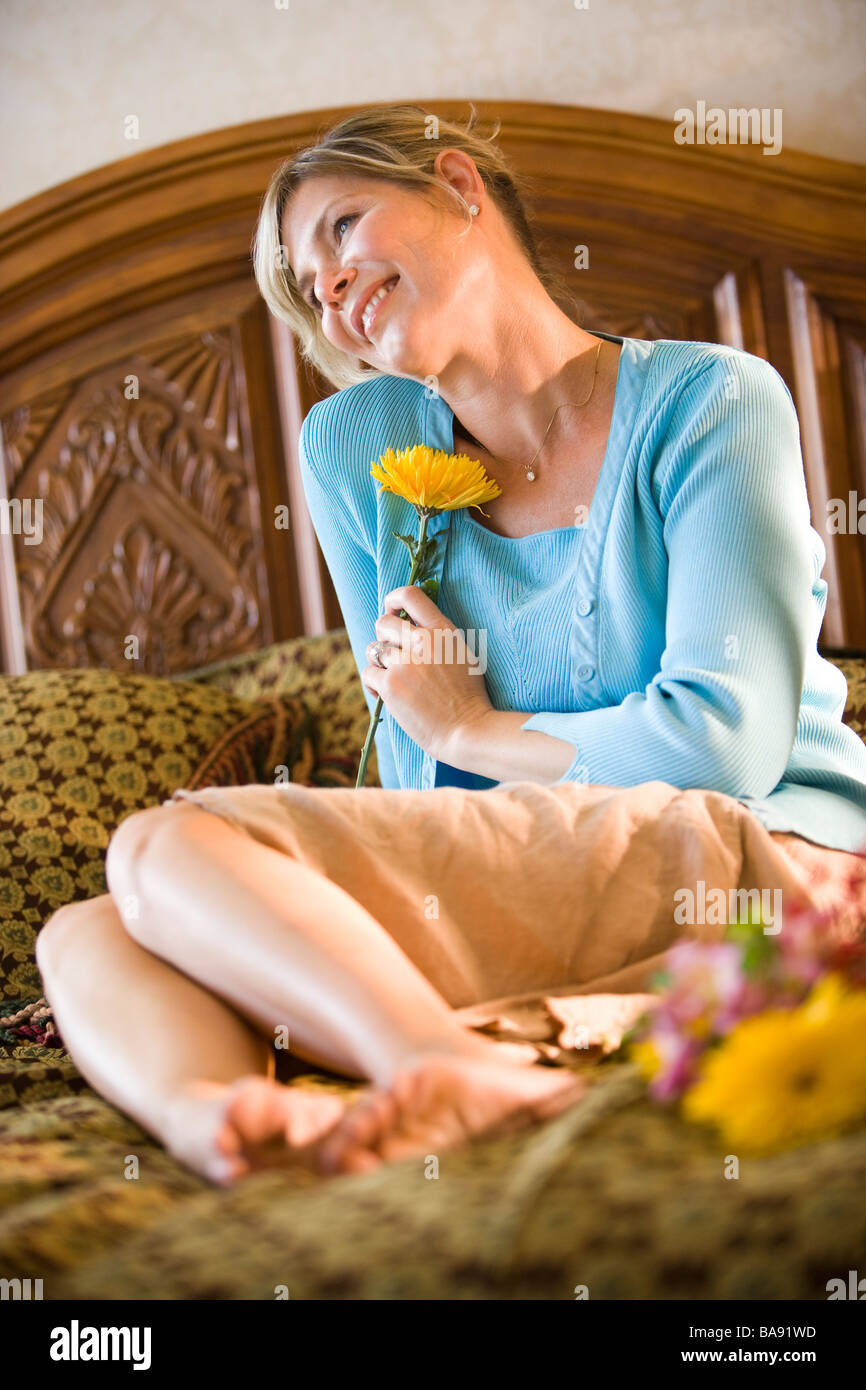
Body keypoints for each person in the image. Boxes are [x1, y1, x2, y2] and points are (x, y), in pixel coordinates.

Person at [36, 104, 866, 1186]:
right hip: (548, 876)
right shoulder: (360, 450)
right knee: (86, 931)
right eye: (305, 285)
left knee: (164, 848)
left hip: (761, 869)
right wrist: (439, 739)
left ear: (459, 187)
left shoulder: (709, 402)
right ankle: (235, 1128)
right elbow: (416, 779)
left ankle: (435, 1066)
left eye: (341, 228)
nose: (327, 286)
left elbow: (721, 747)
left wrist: (476, 725)